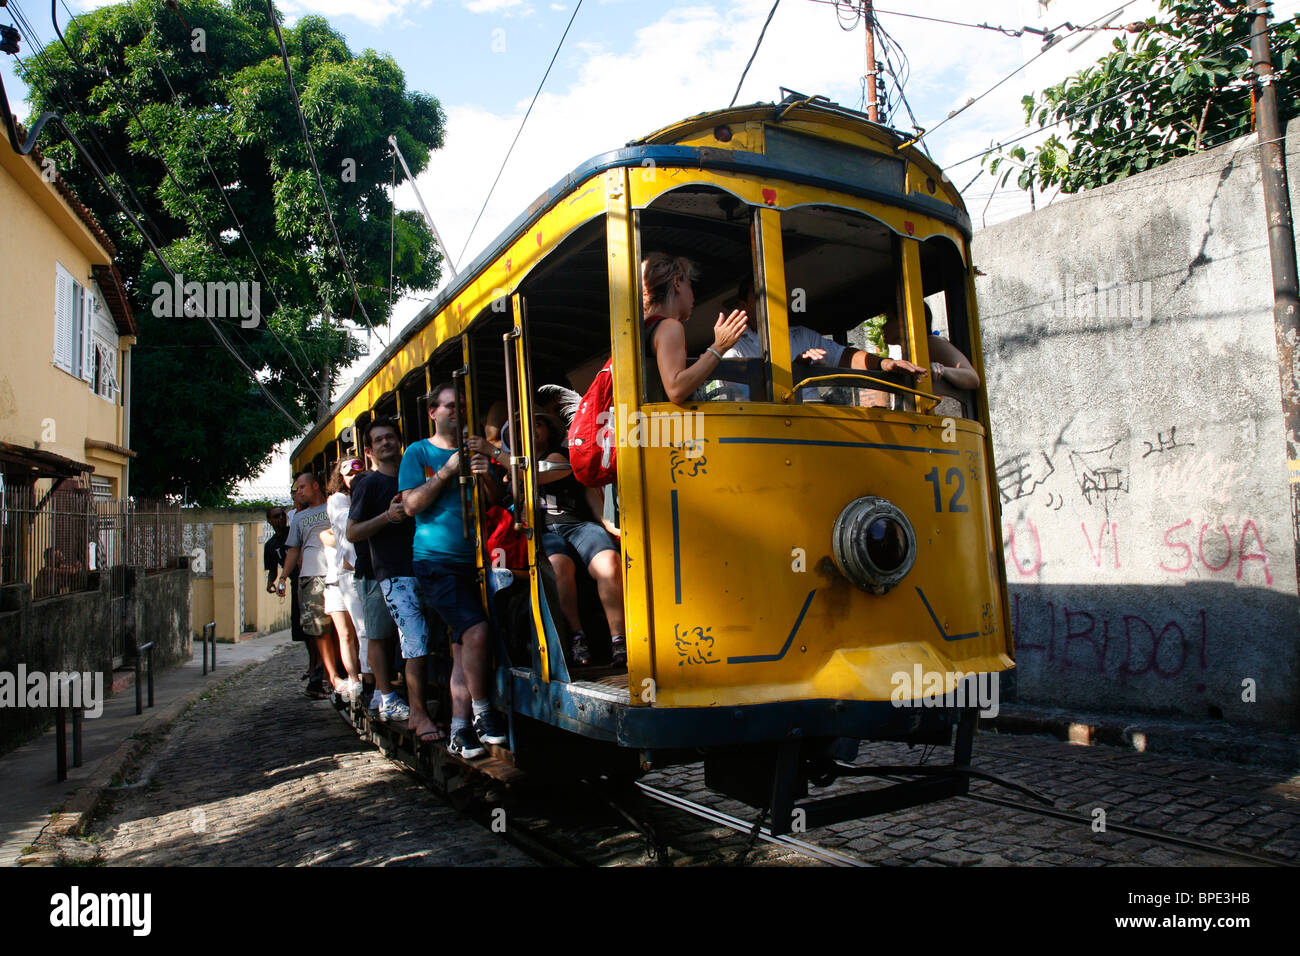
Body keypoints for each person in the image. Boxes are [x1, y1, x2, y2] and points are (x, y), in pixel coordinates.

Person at [399, 383, 506, 759]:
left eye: (461, 405)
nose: (455, 411)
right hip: (435, 562)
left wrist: (485, 474)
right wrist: (447, 470)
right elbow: (410, 505)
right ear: (432, 413)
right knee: (476, 631)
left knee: (463, 645)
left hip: (475, 561)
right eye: (447, 406)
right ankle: (482, 713)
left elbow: (493, 502)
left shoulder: (474, 449)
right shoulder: (418, 452)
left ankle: (459, 730)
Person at [533, 413, 626, 668]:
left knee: (609, 563)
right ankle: (576, 638)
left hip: (578, 525)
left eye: (537, 423)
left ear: (549, 428)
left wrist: (610, 526)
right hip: (547, 532)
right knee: (560, 568)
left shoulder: (562, 457)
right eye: (523, 426)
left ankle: (620, 640)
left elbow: (590, 498)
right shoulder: (518, 465)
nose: (531, 429)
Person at [724, 276, 928, 390]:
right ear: (744, 305)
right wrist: (796, 369)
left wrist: (883, 363)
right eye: (761, 295)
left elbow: (843, 356)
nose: (771, 300)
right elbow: (742, 397)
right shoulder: (734, 345)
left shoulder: (801, 335)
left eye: (776, 293)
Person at [346, 418, 413, 725]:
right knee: (379, 634)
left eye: (390, 437)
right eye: (379, 440)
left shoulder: (412, 476)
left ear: (399, 441)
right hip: (377, 571)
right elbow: (352, 532)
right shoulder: (368, 484)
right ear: (370, 450)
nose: (386, 443)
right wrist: (387, 517)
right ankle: (386, 695)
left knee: (409, 637)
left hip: (414, 566)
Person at [641, 252, 748, 405]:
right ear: (677, 282)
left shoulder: (644, 328)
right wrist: (719, 347)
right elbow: (676, 390)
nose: (693, 296)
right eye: (690, 285)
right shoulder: (669, 327)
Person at [276, 471, 346, 700]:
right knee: (319, 630)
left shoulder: (333, 505)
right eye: (297, 489)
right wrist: (283, 577)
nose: (299, 492)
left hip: (337, 572)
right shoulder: (297, 518)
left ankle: (345, 673)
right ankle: (331, 676)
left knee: (343, 629)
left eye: (302, 487)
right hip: (311, 576)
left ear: (316, 486)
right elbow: (293, 549)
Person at [883, 308, 980, 417]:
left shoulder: (932, 343)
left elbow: (973, 378)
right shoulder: (909, 352)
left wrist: (941, 370)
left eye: (889, 320)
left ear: (906, 321)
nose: (883, 327)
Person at [323, 459, 365, 704]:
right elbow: (346, 532)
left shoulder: (360, 495)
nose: (353, 476)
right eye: (347, 472)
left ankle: (361, 678)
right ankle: (357, 679)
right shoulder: (338, 500)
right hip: (345, 575)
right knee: (353, 632)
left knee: (359, 632)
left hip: (352, 572)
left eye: (357, 471)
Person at [264, 507, 289, 594]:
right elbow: (273, 569)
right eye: (276, 516)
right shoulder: (270, 545)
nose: (281, 518)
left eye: (283, 515)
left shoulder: (294, 532)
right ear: (269, 521)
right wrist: (270, 581)